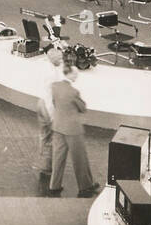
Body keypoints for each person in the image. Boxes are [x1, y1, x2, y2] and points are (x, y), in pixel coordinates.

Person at [49, 54, 101, 198]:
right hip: (73, 129)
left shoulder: (55, 86)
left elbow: (54, 103)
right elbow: (83, 108)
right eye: (75, 74)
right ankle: (85, 187)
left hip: (58, 126)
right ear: (70, 74)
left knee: (58, 158)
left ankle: (54, 185)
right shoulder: (73, 92)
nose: (76, 76)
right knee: (80, 158)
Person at [35, 49, 58, 193]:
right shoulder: (53, 75)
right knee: (51, 137)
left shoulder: (45, 67)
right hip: (48, 107)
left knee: (43, 136)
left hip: (40, 103)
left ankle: (41, 162)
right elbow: (53, 97)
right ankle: (46, 166)